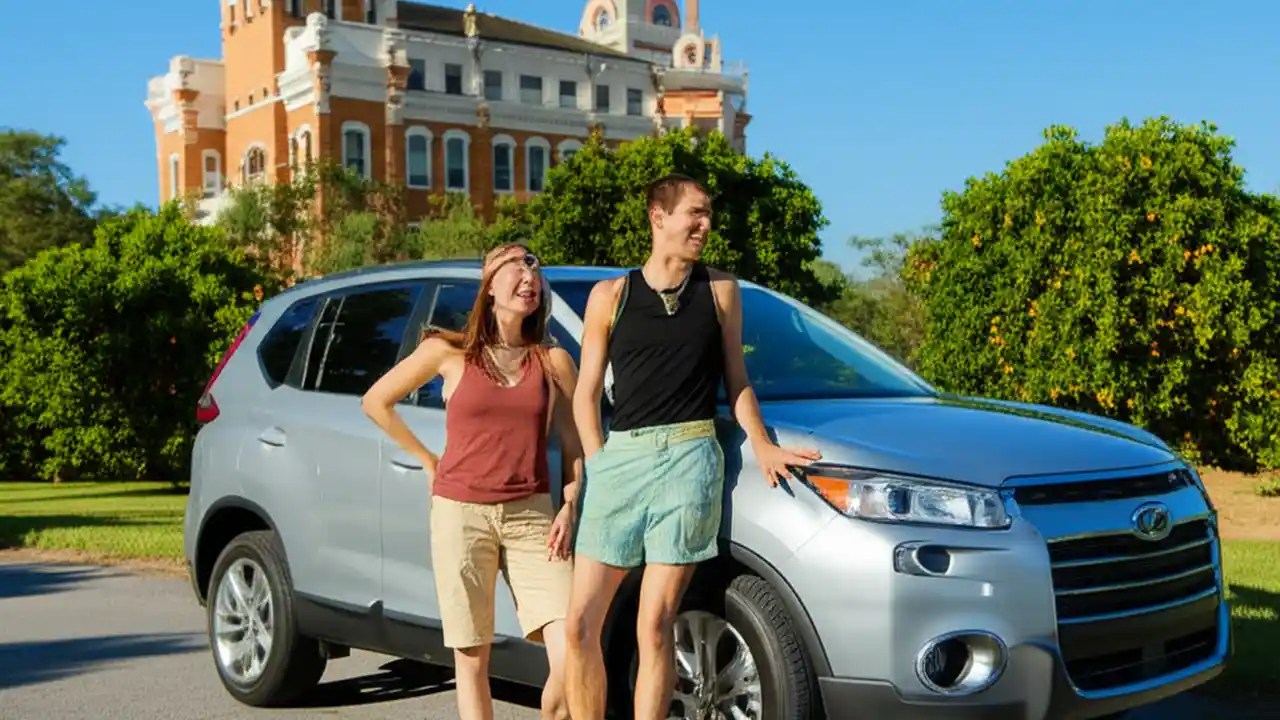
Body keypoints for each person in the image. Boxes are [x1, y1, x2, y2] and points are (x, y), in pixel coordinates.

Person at [564, 174, 823, 719]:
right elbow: (586, 395)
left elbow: (738, 378)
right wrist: (599, 461)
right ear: (659, 217)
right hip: (621, 460)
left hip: (690, 458)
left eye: (707, 215)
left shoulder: (720, 291)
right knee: (579, 623)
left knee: (655, 622)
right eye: (695, 214)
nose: (705, 226)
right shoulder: (609, 295)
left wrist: (763, 442)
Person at [361, 243, 582, 720]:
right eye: (516, 266)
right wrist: (426, 459)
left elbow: (573, 443)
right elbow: (377, 400)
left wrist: (570, 503)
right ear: (488, 285)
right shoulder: (448, 352)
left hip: (532, 514)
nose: (529, 276)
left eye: (534, 269)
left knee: (571, 643)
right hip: (460, 514)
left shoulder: (553, 362)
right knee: (472, 656)